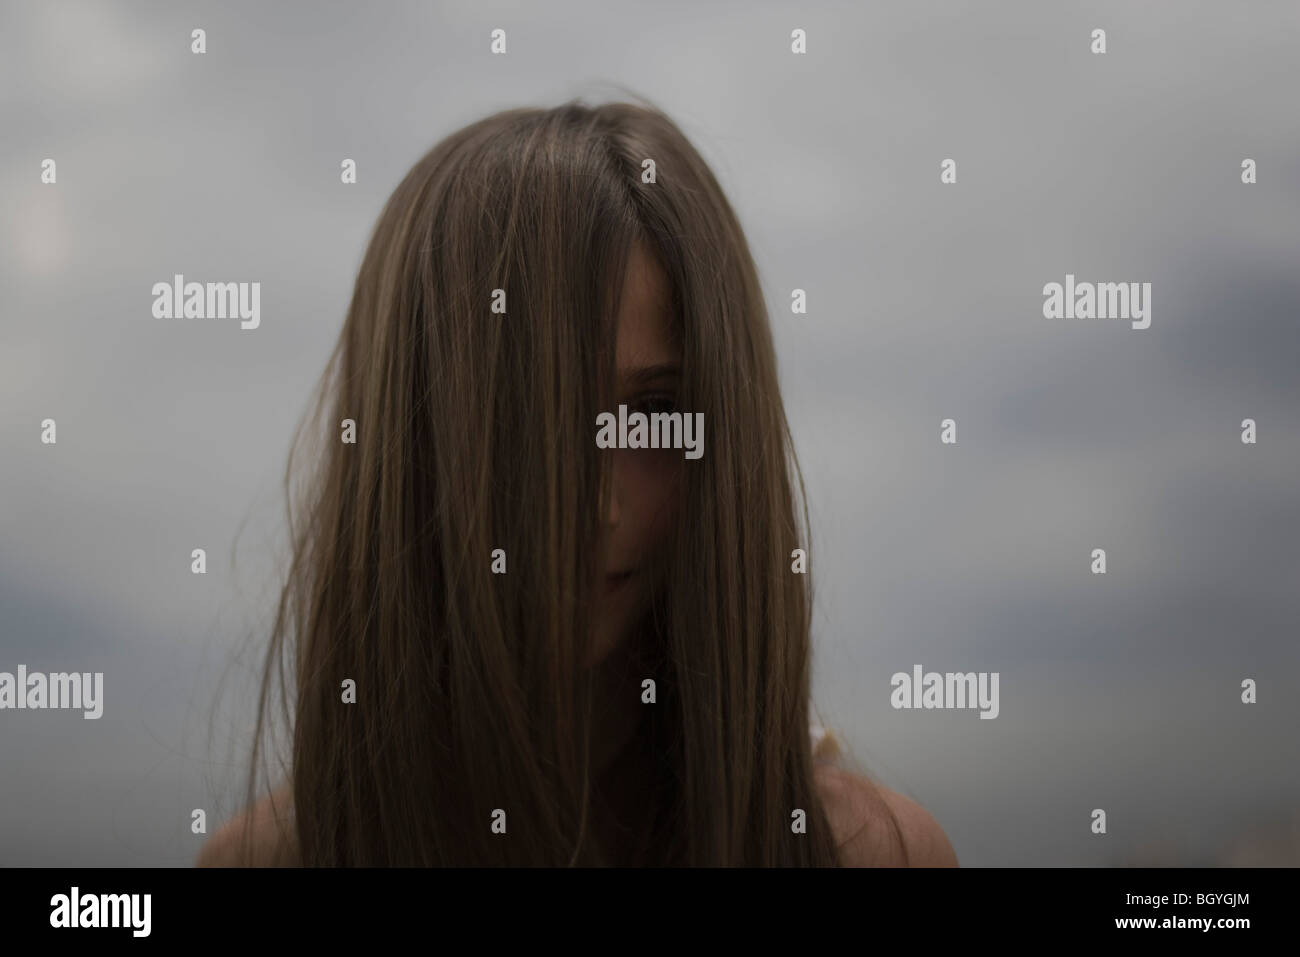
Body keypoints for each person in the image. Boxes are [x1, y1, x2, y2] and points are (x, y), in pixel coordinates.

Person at [198, 98, 957, 867]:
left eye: (657, 411)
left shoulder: (874, 855)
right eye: (525, 412)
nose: (597, 504)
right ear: (412, 439)